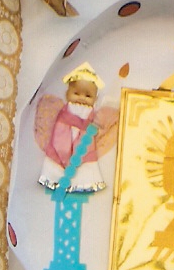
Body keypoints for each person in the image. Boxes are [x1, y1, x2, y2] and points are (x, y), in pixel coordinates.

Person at [34, 63, 116, 194]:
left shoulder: (92, 112)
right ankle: (54, 179)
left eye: (88, 96)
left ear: (95, 98)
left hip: (83, 143)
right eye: (76, 93)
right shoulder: (67, 109)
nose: (81, 98)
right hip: (65, 137)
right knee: (56, 165)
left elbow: (94, 125)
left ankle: (82, 184)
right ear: (67, 94)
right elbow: (61, 126)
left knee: (85, 166)